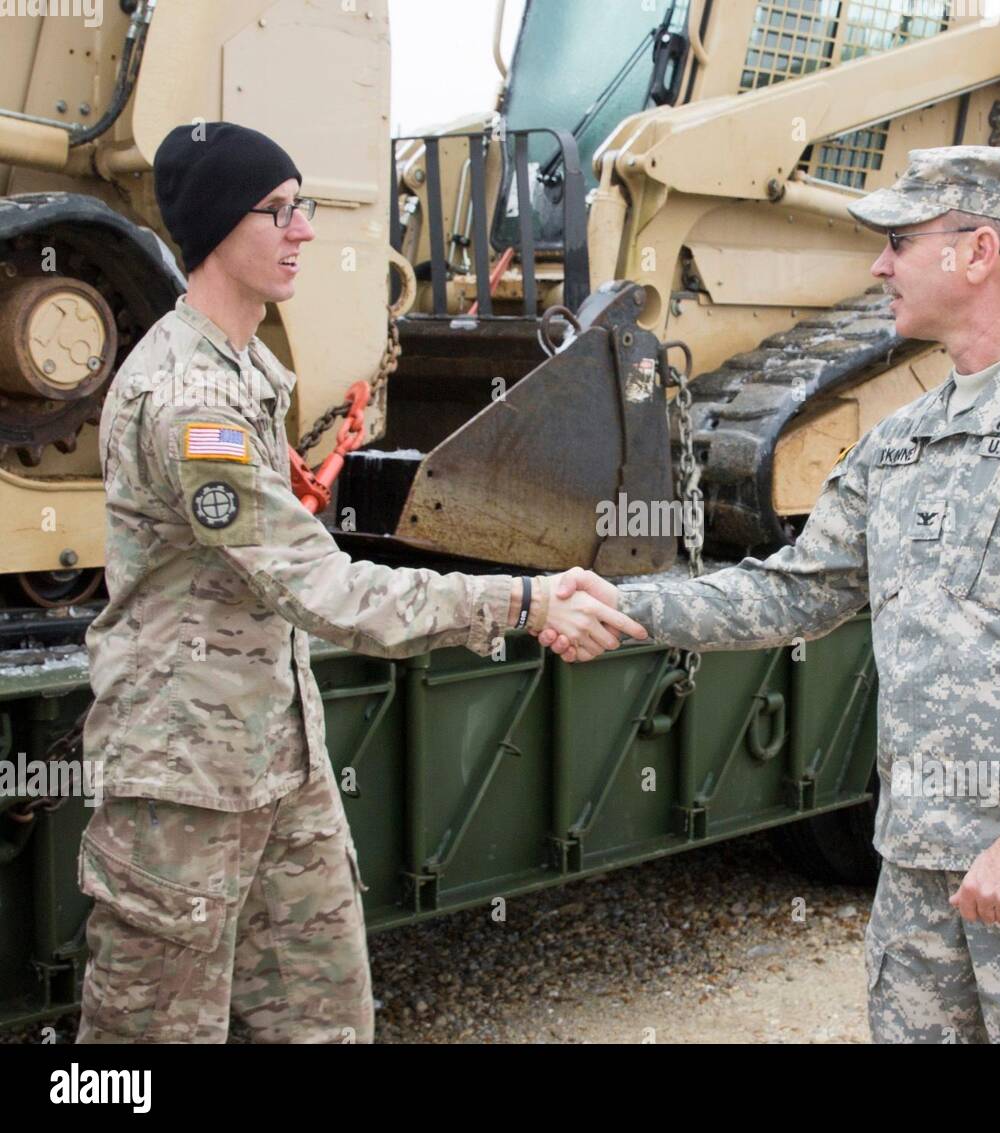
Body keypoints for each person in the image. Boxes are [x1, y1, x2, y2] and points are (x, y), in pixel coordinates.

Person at [540, 146, 1000, 1043]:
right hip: (922, 872)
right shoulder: (901, 445)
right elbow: (793, 594)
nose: (878, 265)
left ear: (977, 252)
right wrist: (626, 605)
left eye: (898, 240)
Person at [75, 121, 645, 1043]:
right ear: (219, 226)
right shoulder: (190, 401)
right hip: (185, 787)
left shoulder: (249, 372)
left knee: (325, 1024)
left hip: (279, 767)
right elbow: (320, 590)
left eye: (303, 206)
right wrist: (521, 599)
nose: (303, 230)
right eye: (279, 210)